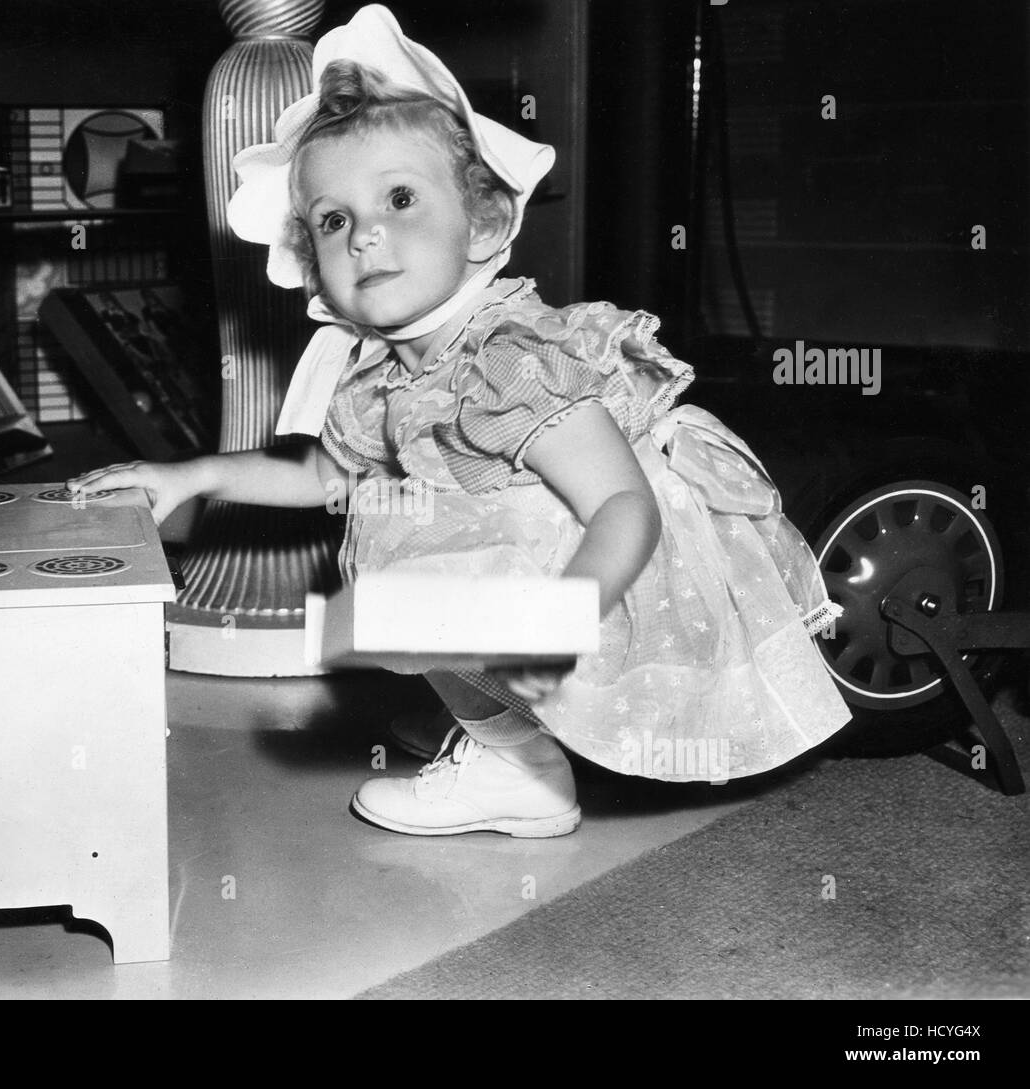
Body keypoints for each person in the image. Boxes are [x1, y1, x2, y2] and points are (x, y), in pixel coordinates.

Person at [70, 5, 852, 838]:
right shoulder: (383, 367)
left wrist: (562, 619)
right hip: (554, 556)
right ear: (312, 262)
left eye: (400, 198)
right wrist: (190, 475)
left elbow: (626, 505)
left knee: (403, 557)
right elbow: (325, 475)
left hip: (623, 562)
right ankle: (503, 727)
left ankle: (521, 767)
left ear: (480, 224)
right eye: (334, 219)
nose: (367, 234)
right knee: (378, 531)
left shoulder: (506, 356)